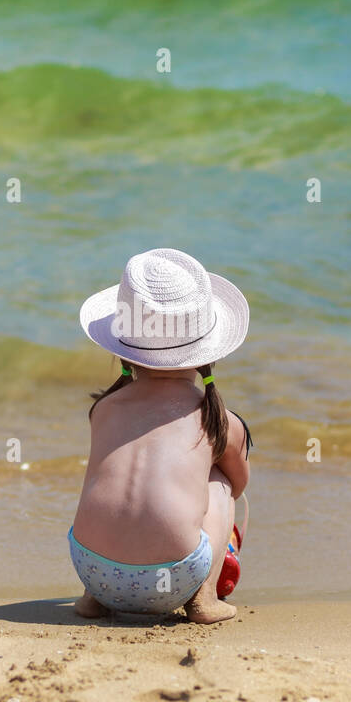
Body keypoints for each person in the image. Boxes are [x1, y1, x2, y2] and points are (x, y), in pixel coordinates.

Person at [70, 248, 251, 623]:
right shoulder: (216, 418)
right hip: (174, 577)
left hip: (91, 567)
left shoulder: (104, 409)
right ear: (207, 356)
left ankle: (92, 599)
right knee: (218, 483)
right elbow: (239, 483)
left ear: (124, 354)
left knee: (114, 480)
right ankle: (204, 599)